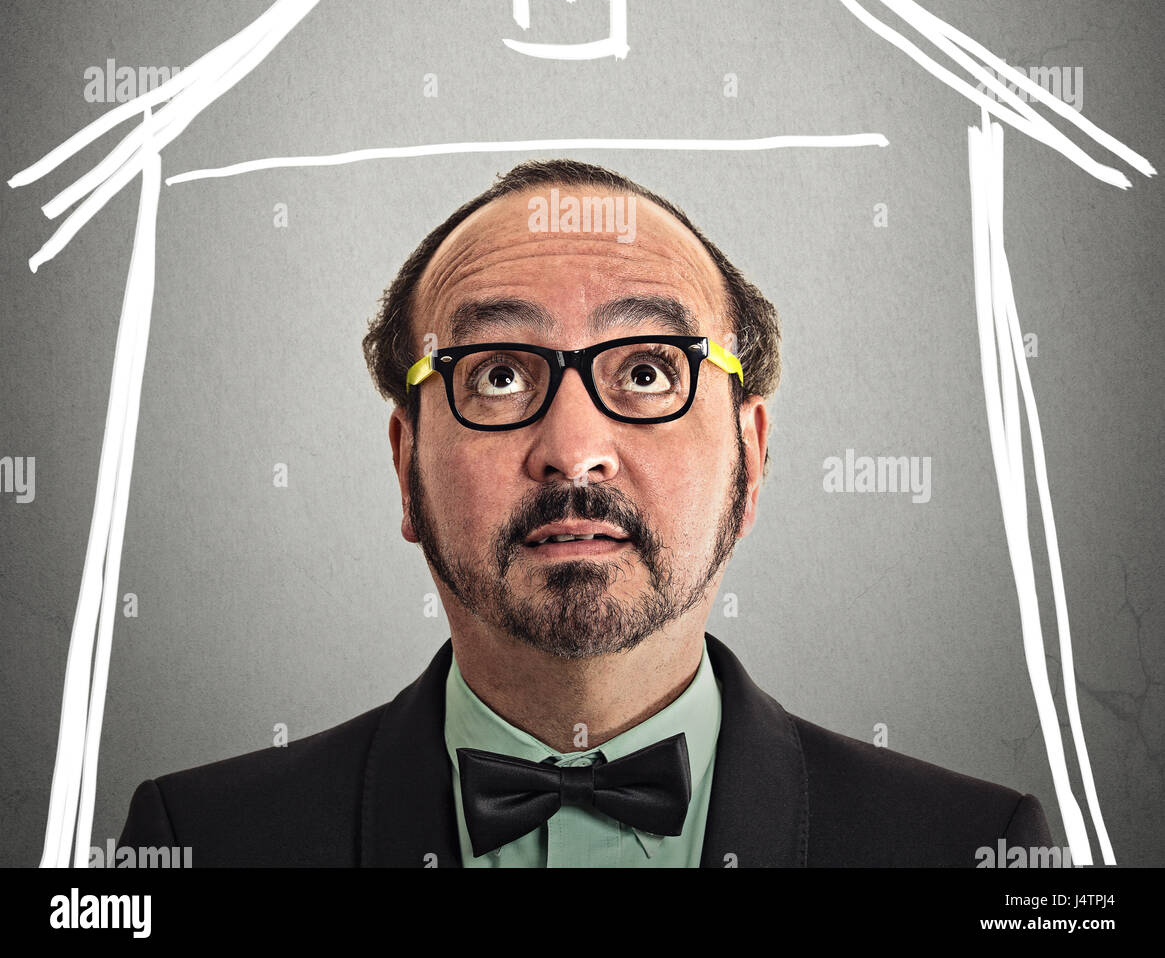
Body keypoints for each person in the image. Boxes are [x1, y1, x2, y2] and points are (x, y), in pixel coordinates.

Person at [119, 158, 1053, 867]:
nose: (573, 448)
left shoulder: (981, 849)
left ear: (751, 458)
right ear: (406, 467)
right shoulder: (194, 841)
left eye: (647, 372)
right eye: (494, 375)